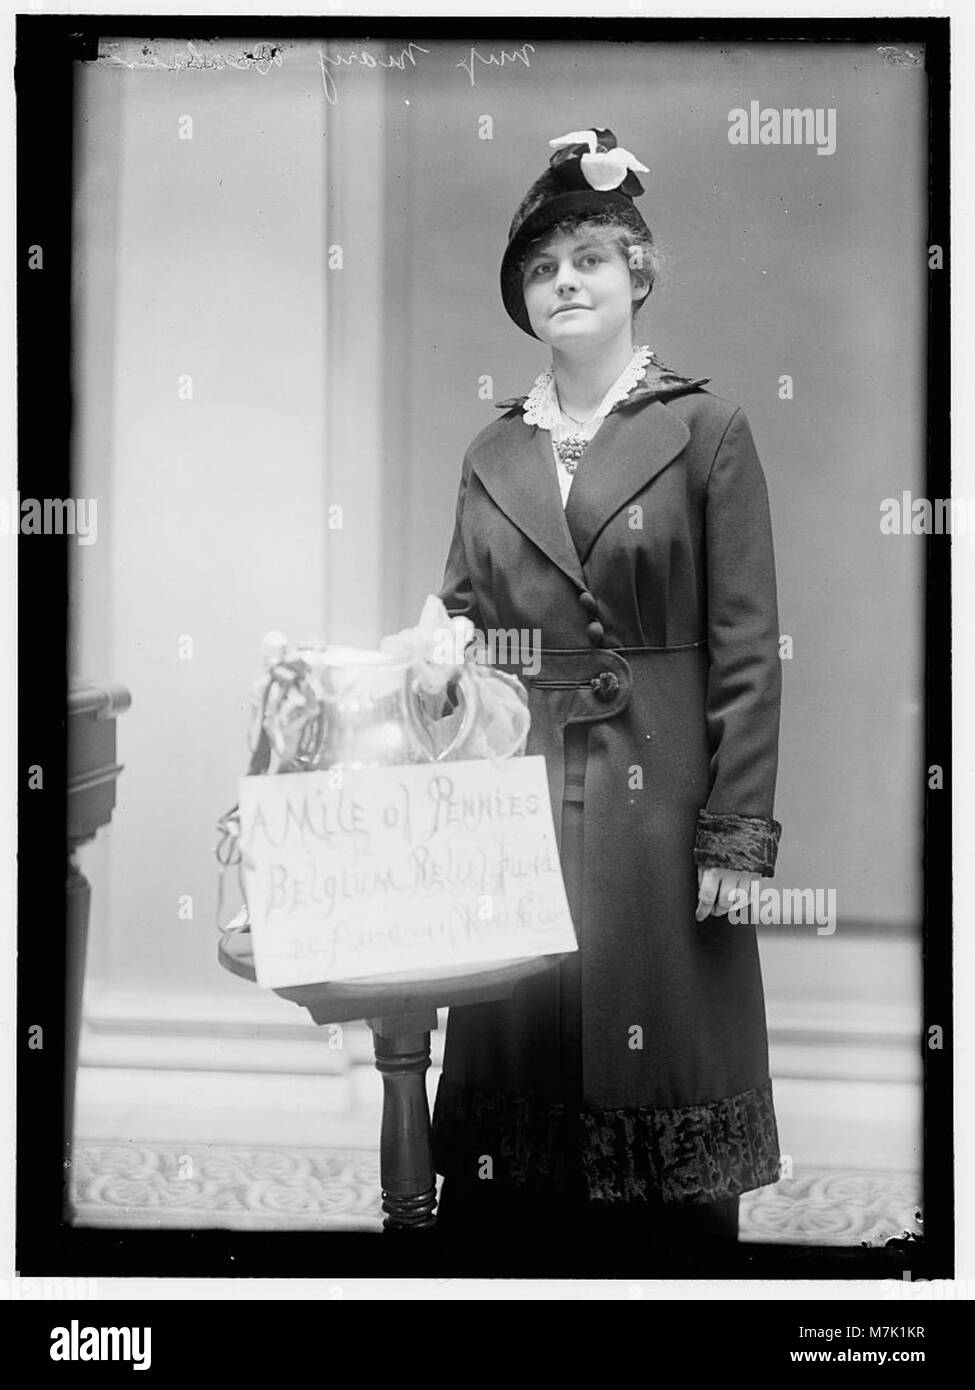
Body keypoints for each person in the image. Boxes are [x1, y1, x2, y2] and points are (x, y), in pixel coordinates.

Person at [429, 126, 784, 1275]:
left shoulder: (707, 431)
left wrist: (736, 831)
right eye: (542, 268)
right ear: (524, 302)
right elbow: (464, 619)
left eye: (590, 256)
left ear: (639, 274)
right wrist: (441, 661)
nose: (565, 280)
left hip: (660, 800)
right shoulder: (493, 449)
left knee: (658, 1076)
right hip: (525, 798)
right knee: (521, 1077)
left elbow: (745, 647)